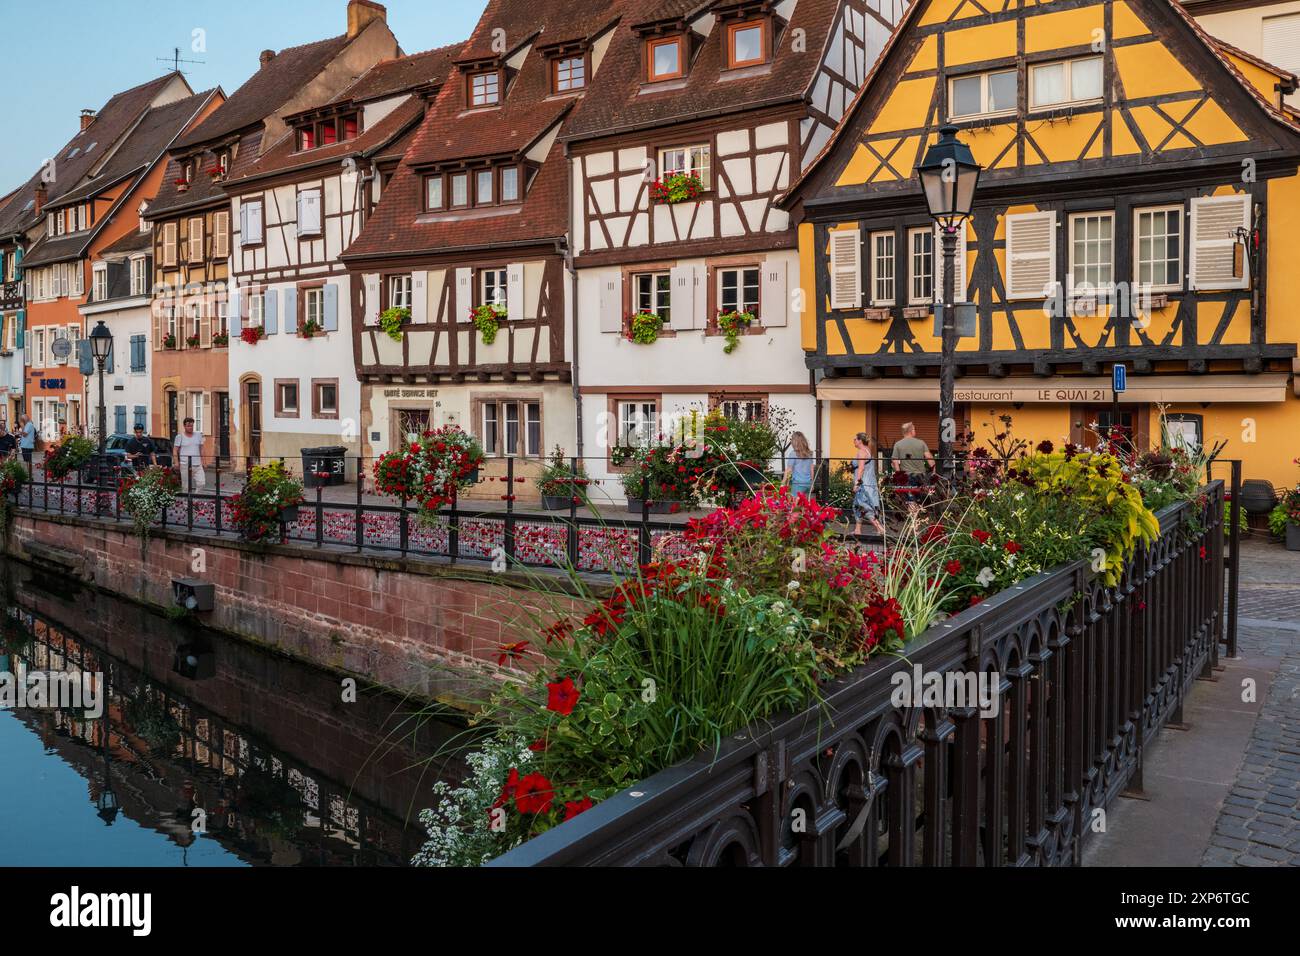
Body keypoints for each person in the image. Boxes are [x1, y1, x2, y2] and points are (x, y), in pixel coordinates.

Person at [851, 432, 885, 538]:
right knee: (857, 506)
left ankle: (880, 528)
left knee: (864, 507)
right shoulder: (867, 450)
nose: (853, 441)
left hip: (863, 484)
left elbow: (861, 468)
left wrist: (857, 483)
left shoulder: (861, 452)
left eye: (855, 439)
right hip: (869, 482)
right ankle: (857, 530)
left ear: (860, 440)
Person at [174, 417, 206, 491]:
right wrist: (176, 462)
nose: (190, 427)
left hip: (197, 464)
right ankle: (186, 502)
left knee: (201, 483)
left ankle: (196, 501)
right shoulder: (180, 437)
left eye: (192, 425)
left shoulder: (198, 435)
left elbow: (202, 448)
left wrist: (204, 461)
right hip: (185, 464)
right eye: (188, 426)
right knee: (186, 486)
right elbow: (175, 450)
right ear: (184, 426)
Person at [783, 431, 815, 499]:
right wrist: (812, 484)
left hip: (798, 485)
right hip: (808, 484)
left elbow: (789, 470)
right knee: (804, 506)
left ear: (794, 442)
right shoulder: (809, 453)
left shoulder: (793, 453)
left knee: (795, 507)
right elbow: (811, 469)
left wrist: (782, 483)